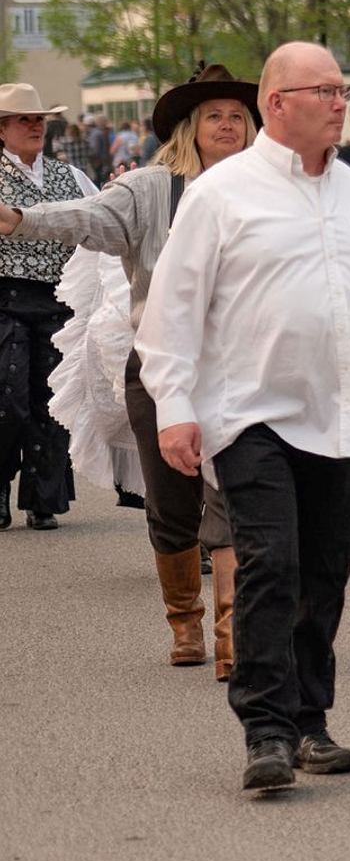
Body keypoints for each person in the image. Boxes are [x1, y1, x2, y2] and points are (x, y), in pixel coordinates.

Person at [137, 42, 350, 794]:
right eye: (323, 89)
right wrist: (175, 409)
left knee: (325, 571)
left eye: (342, 88)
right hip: (250, 411)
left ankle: (310, 720)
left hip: (339, 413)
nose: (339, 101)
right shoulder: (222, 194)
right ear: (278, 102)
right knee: (270, 562)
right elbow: (173, 311)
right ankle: (265, 727)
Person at [0, 64, 256, 665]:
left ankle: (232, 638)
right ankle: (185, 624)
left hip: (244, 369)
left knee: (232, 498)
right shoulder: (149, 188)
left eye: (238, 116)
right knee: (172, 504)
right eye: (215, 115)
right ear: (191, 127)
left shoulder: (272, 190)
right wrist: (19, 219)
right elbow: (88, 217)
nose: (227, 125)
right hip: (162, 367)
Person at [0, 82, 101, 530]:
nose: (37, 125)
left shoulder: (71, 177)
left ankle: (43, 498)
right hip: (5, 298)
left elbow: (100, 224)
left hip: (58, 302)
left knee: (53, 402)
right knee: (8, 397)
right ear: (3, 130)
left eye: (40, 118)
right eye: (26, 118)